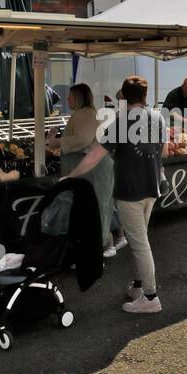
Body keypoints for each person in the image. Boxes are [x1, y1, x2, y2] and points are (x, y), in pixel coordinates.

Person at [67, 75, 168, 314]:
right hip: (151, 188)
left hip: (129, 191)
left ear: (123, 96)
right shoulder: (158, 118)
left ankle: (151, 297)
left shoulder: (120, 123)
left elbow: (94, 155)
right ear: (145, 96)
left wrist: (71, 176)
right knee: (139, 241)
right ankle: (138, 285)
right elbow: (163, 151)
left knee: (140, 244)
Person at [48, 84, 117, 256]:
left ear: (78, 98)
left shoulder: (83, 114)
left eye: (70, 96)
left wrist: (57, 142)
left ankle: (94, 252)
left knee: (94, 209)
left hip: (93, 170)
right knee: (97, 208)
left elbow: (83, 139)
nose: (67, 99)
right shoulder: (87, 113)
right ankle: (100, 246)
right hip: (94, 169)